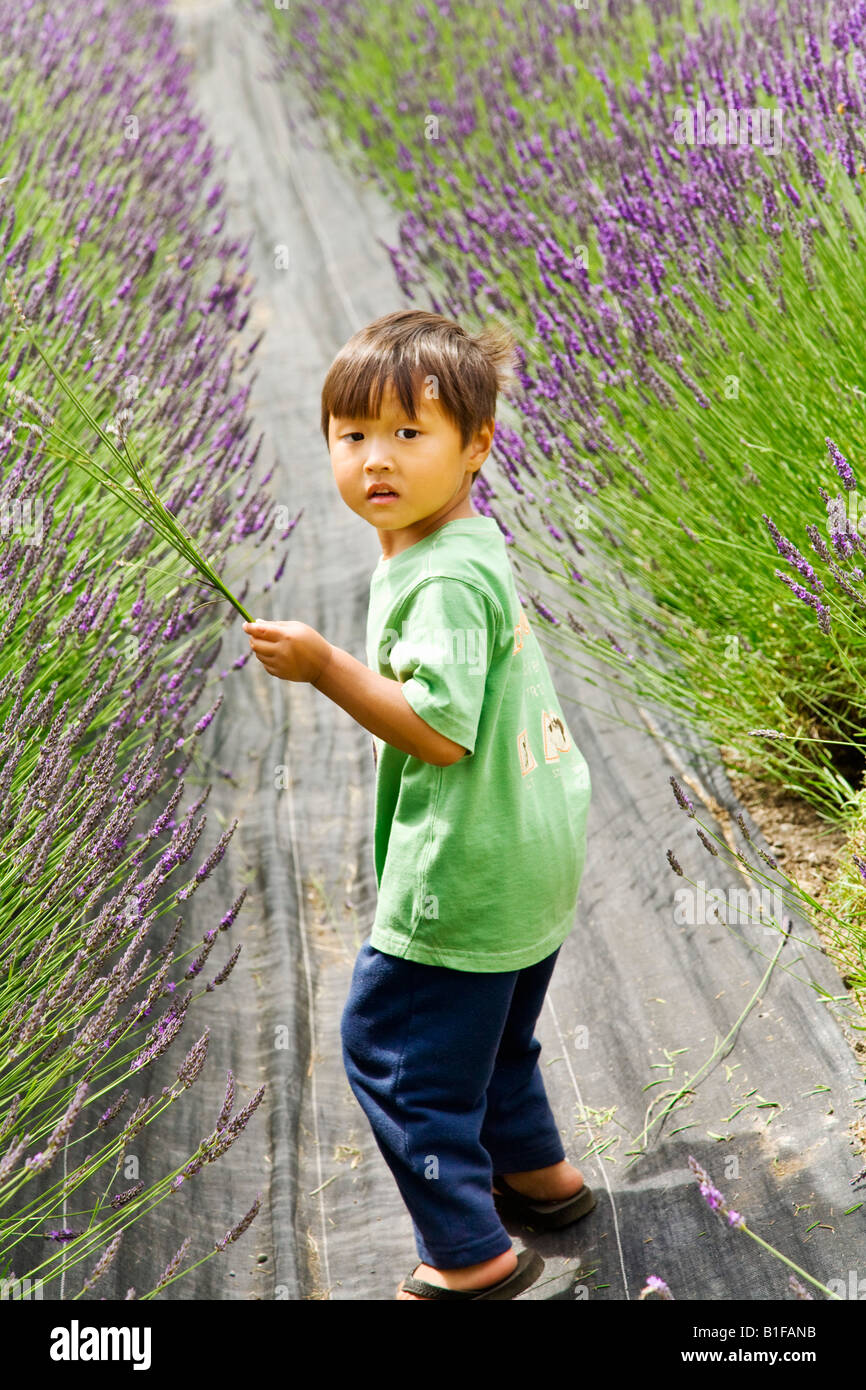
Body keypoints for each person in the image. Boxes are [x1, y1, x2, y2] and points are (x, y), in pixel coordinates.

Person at [243, 309, 594, 1300]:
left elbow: (437, 731)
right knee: (491, 1032)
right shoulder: (464, 539)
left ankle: (468, 1251)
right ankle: (538, 1175)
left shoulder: (434, 579)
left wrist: (323, 667)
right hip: (534, 839)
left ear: (476, 446)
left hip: (467, 870)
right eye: (352, 437)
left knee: (394, 1054)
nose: (375, 460)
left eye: (408, 434)